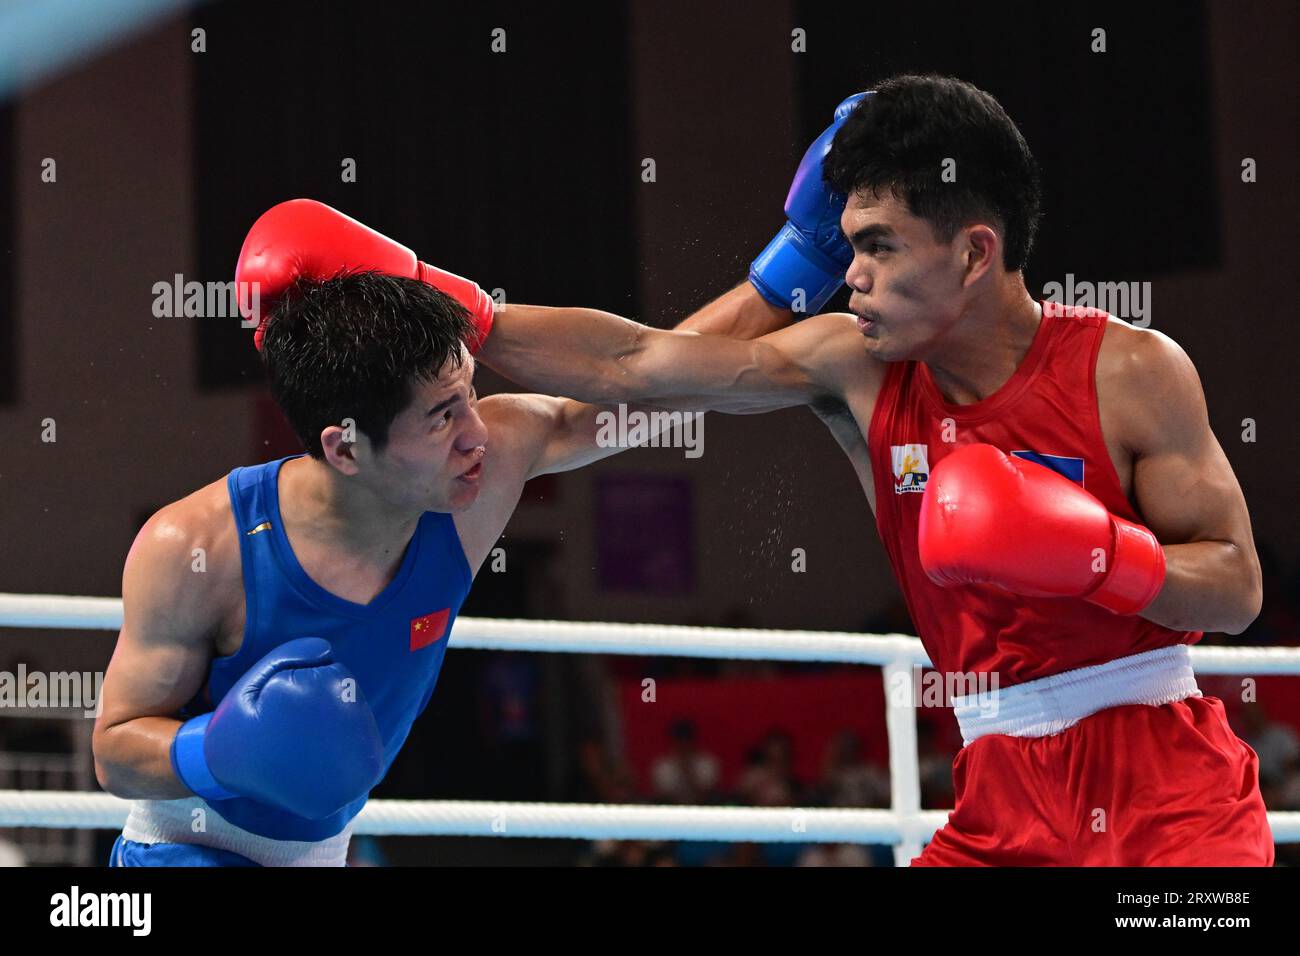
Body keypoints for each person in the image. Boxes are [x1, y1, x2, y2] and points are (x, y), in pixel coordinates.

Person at [473, 75, 1270, 865]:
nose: (850, 274)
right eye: (846, 245)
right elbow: (636, 361)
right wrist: (447, 311)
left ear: (973, 253)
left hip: (1171, 805)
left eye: (878, 246)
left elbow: (1237, 588)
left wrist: (1099, 554)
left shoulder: (1128, 369)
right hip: (995, 805)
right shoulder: (857, 368)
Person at [91, 189, 798, 865]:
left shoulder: (490, 464)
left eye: (471, 394)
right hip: (182, 851)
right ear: (344, 447)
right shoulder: (196, 547)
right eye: (441, 416)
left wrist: (799, 266)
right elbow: (114, 749)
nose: (478, 434)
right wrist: (217, 751)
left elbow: (651, 379)